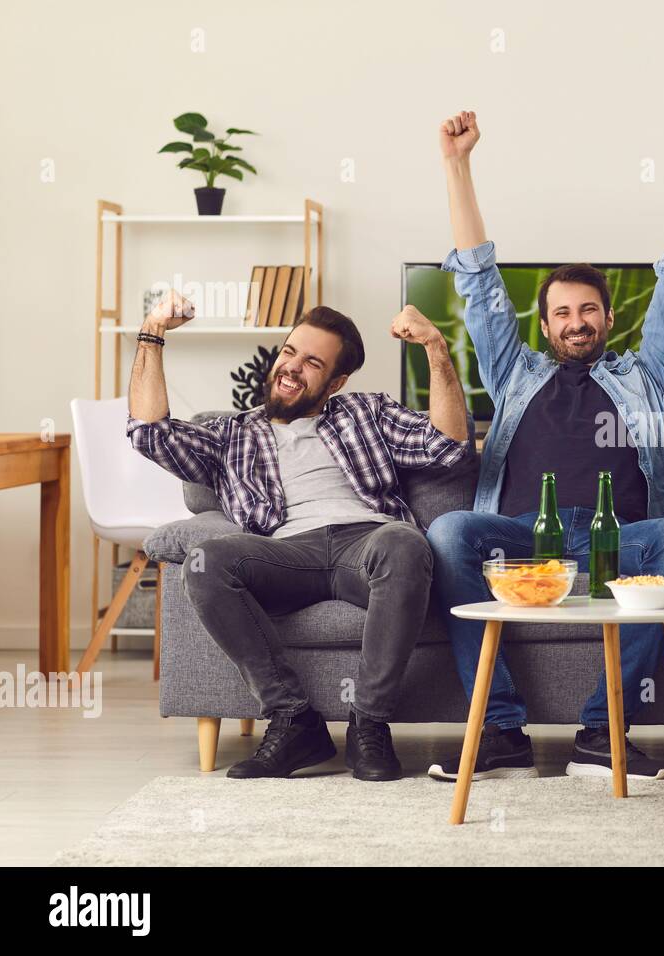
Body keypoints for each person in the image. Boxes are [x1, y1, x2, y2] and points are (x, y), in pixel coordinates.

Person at [424, 111, 664, 781]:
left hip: (622, 541)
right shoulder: (514, 374)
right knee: (448, 531)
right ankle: (501, 731)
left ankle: (602, 733)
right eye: (562, 313)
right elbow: (478, 282)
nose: (576, 322)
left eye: (587, 310)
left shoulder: (643, 375)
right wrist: (457, 165)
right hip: (525, 539)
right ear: (546, 325)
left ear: (608, 318)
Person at [128, 292, 470, 781]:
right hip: (284, 552)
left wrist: (435, 346)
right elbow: (148, 433)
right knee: (206, 562)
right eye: (290, 352)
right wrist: (153, 330)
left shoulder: (365, 412)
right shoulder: (232, 433)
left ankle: (369, 724)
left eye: (313, 363)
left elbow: (448, 447)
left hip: (366, 544)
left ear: (336, 382)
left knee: (405, 542)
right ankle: (294, 722)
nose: (292, 367)